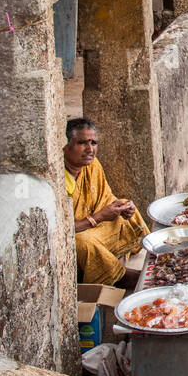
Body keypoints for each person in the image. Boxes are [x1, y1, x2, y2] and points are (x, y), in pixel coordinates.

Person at [64, 117, 149, 286]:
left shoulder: (92, 165)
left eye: (93, 143)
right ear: (66, 146)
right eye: (82, 143)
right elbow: (61, 231)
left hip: (96, 226)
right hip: (77, 234)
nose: (90, 149)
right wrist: (98, 217)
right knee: (83, 243)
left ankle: (120, 254)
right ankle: (119, 276)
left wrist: (121, 208)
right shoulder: (57, 178)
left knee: (125, 203)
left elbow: (106, 198)